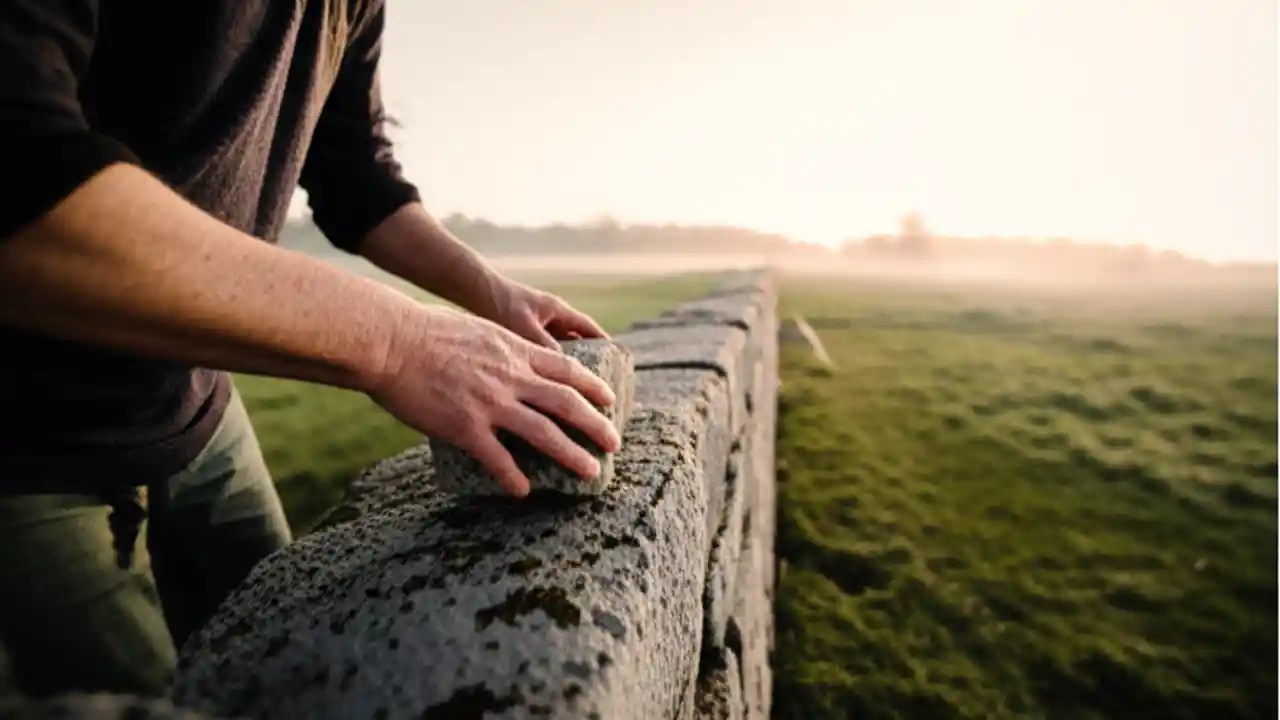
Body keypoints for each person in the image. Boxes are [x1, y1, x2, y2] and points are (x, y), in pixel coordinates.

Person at [0, 0, 621, 699]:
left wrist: (491, 293)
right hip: (29, 437)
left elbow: (354, 172)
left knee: (296, 668)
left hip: (199, 401)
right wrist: (400, 342)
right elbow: (23, 183)